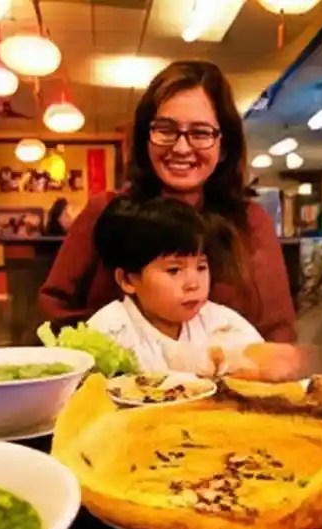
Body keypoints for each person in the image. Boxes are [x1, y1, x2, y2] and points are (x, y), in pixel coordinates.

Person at [39, 60, 297, 342]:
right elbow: (54, 311)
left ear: (224, 146)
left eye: (200, 133)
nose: (181, 147)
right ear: (145, 136)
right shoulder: (107, 211)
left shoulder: (249, 221)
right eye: (165, 129)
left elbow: (277, 334)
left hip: (229, 383)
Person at [86, 196, 263, 375]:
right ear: (128, 280)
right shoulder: (107, 333)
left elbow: (262, 366)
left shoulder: (222, 323)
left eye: (201, 267)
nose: (193, 283)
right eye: (174, 270)